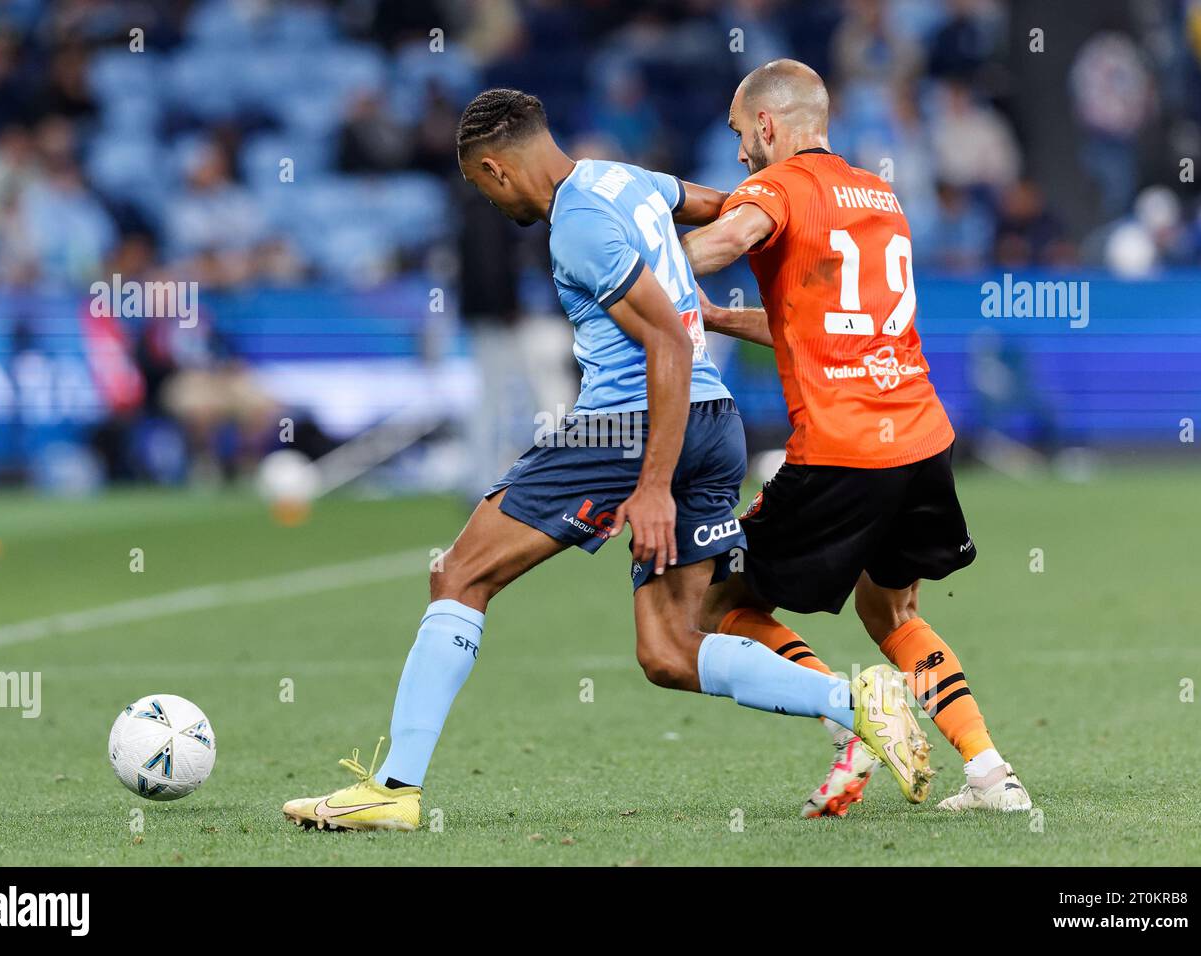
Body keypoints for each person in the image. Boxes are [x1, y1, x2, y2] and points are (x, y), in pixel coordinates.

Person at [281, 88, 930, 831]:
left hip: (628, 429)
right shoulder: (623, 179)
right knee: (668, 649)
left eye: (479, 187)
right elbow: (727, 206)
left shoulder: (577, 227)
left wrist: (651, 486)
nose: (489, 203)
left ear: (494, 169)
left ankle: (395, 788)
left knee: (459, 574)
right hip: (713, 423)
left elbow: (666, 340)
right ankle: (857, 703)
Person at [682, 60, 1031, 814]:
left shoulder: (774, 188)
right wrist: (711, 318)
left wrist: (636, 273)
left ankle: (852, 710)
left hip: (843, 449)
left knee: (713, 605)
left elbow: (726, 238)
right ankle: (990, 774)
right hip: (921, 441)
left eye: (743, 134)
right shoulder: (878, 192)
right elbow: (823, 328)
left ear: (769, 126)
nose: (741, 153)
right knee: (891, 612)